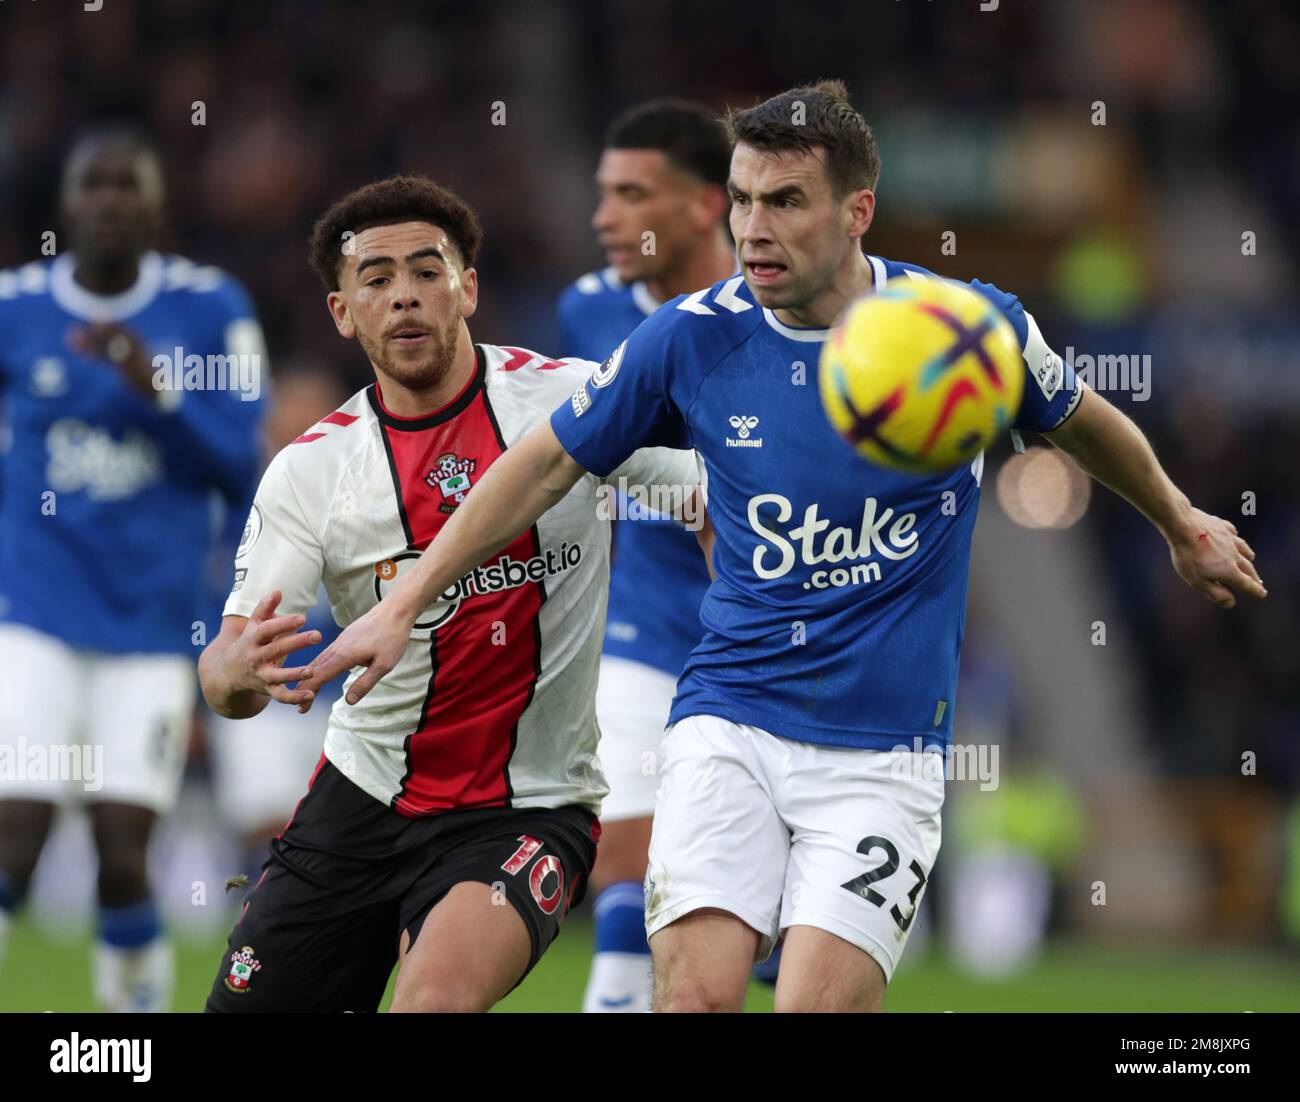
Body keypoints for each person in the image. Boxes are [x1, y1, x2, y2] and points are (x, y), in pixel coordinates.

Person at [298, 81, 1267, 1013]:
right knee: (692, 995)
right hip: (731, 716)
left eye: (785, 201)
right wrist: (403, 600)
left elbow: (1079, 418)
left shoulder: (962, 333)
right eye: (741, 201)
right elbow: (545, 461)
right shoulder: (691, 340)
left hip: (884, 752)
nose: (752, 228)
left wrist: (1179, 521)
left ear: (856, 211)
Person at [198, 175, 700, 1012]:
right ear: (342, 311)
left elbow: (711, 492)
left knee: (432, 1004)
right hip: (359, 798)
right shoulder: (312, 469)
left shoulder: (570, 402)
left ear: (468, 287)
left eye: (428, 271)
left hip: (528, 808)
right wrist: (235, 674)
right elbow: (225, 671)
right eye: (378, 279)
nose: (405, 297)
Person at [0, 128, 266, 1011]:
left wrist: (163, 397)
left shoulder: (208, 308)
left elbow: (245, 465)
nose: (110, 199)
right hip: (32, 614)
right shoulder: (15, 306)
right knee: (14, 837)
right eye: (94, 184)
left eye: (129, 185)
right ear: (65, 205)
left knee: (122, 851)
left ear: (154, 206)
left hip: (153, 626)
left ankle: (130, 1041)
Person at [557, 98, 739, 1012]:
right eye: (602, 193)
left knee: (747, 916)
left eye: (632, 194)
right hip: (638, 625)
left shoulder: (776, 313)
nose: (604, 218)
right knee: (623, 866)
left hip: (760, 635)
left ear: (708, 204)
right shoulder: (586, 310)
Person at [205, 366, 350, 879]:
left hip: (343, 695)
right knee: (268, 828)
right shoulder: (236, 502)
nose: (303, 427)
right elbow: (210, 599)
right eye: (291, 414)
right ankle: (261, 937)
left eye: (317, 415)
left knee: (335, 835)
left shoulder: (365, 491)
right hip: (261, 697)